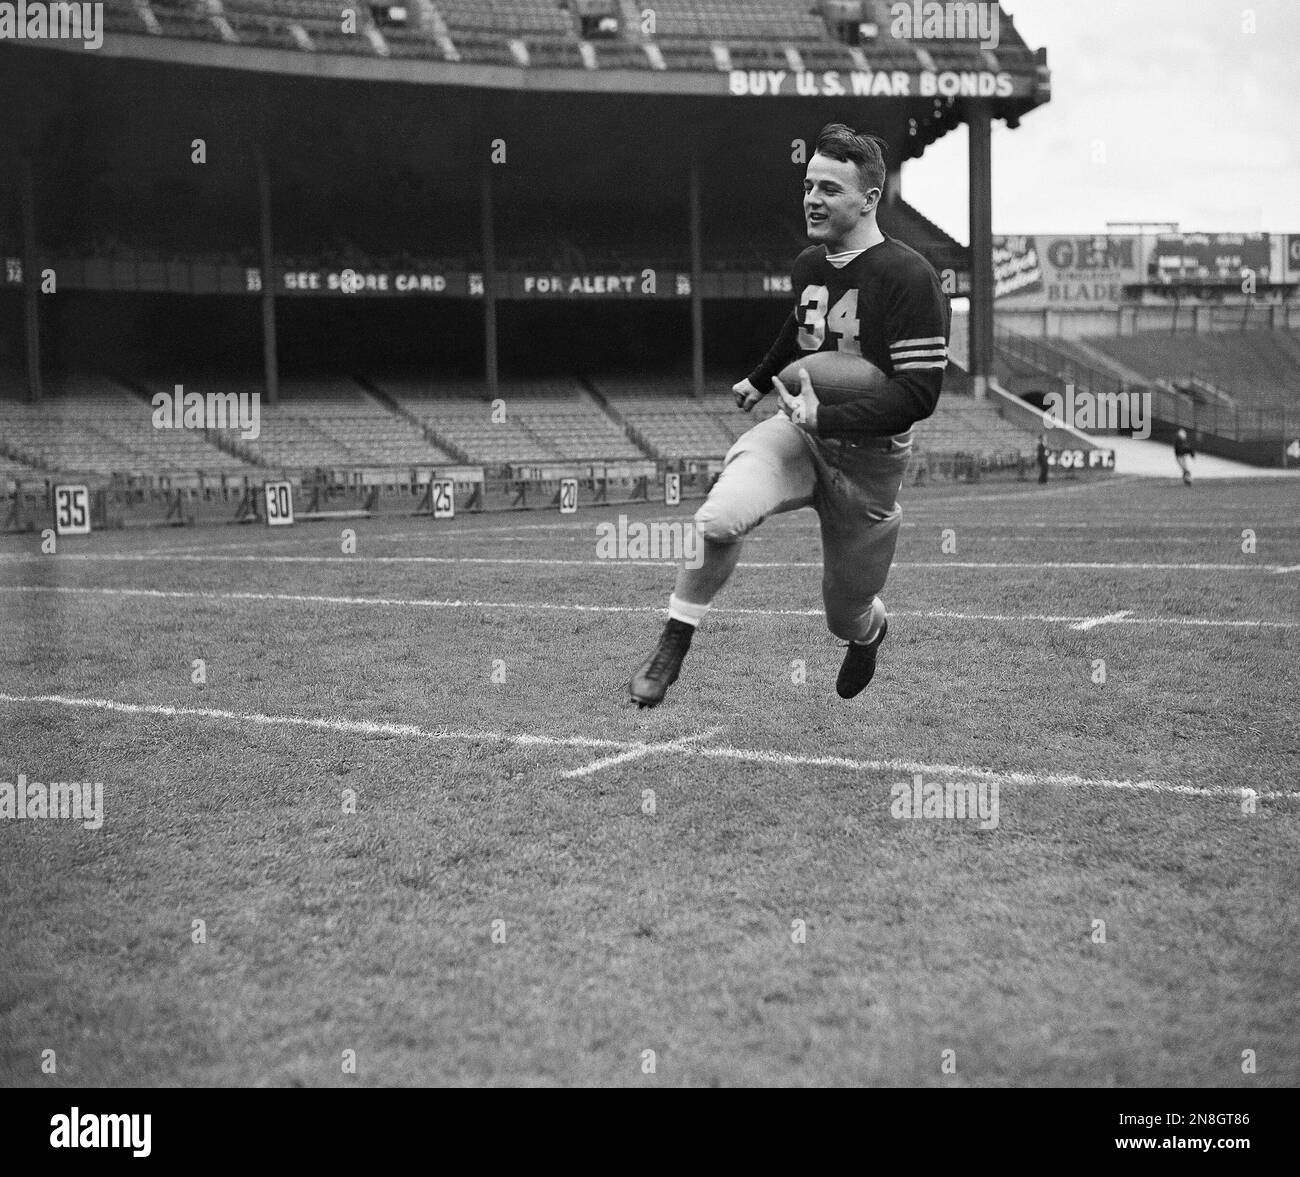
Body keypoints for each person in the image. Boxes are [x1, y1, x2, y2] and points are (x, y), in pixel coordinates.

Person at [628, 124, 949, 708]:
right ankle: (675, 637)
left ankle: (871, 633)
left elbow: (919, 395)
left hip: (869, 458)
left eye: (829, 188)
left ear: (868, 199)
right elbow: (801, 332)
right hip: (798, 433)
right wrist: (758, 377)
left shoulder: (909, 277)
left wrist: (829, 417)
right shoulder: (809, 265)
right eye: (808, 185)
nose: (812, 199)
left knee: (845, 612)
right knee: (719, 518)